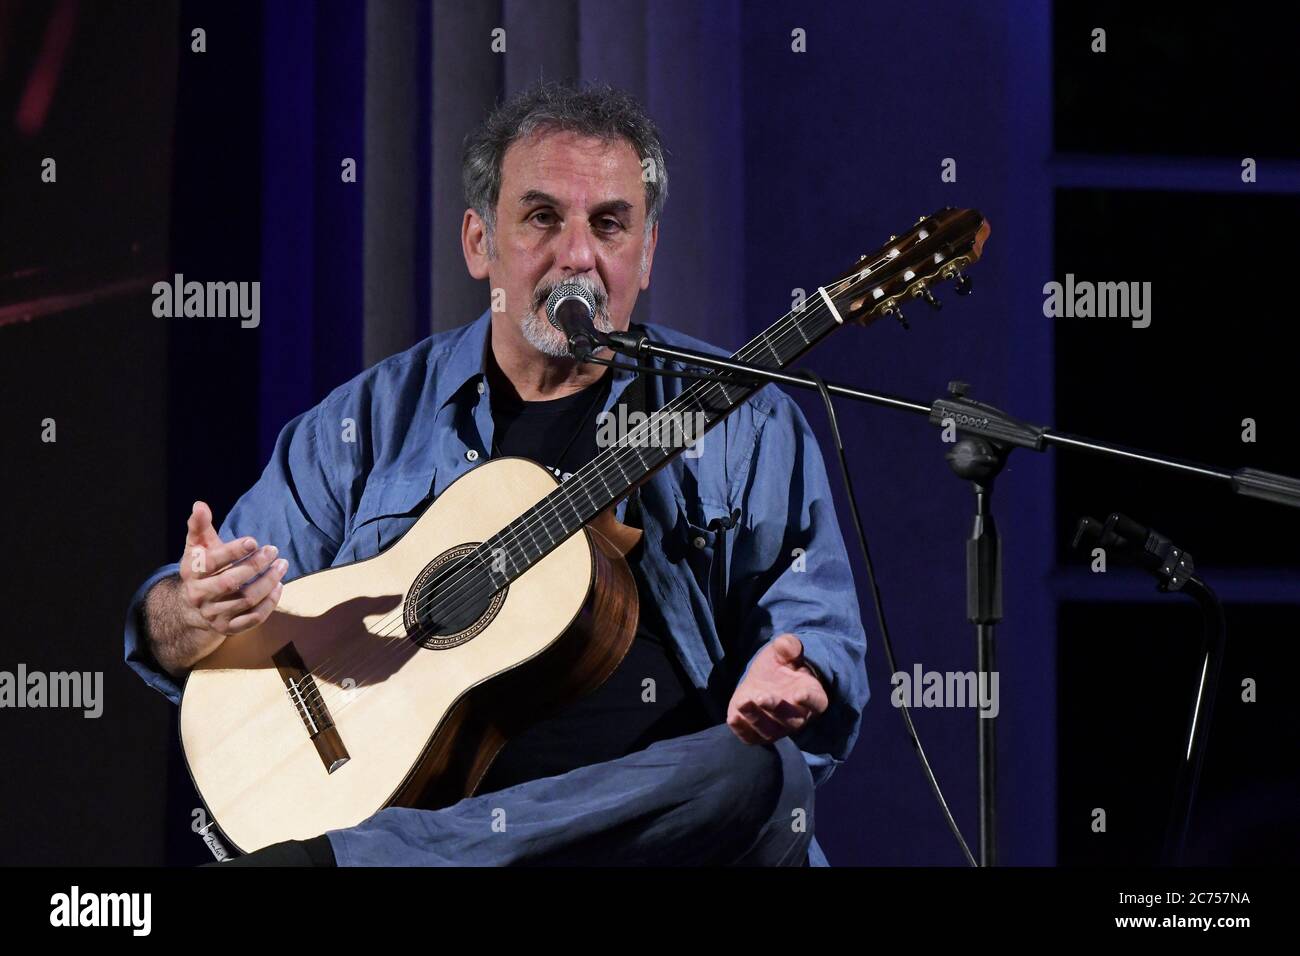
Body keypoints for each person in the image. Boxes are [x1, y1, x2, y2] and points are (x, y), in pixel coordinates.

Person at [123, 82, 869, 866]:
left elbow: (815, 628)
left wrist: (795, 669)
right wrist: (192, 610)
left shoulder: (742, 418)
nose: (578, 255)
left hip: (650, 838)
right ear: (480, 243)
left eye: (610, 224)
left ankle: (357, 861)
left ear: (645, 254)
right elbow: (182, 625)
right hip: (432, 797)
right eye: (543, 218)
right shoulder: (373, 420)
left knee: (762, 772)